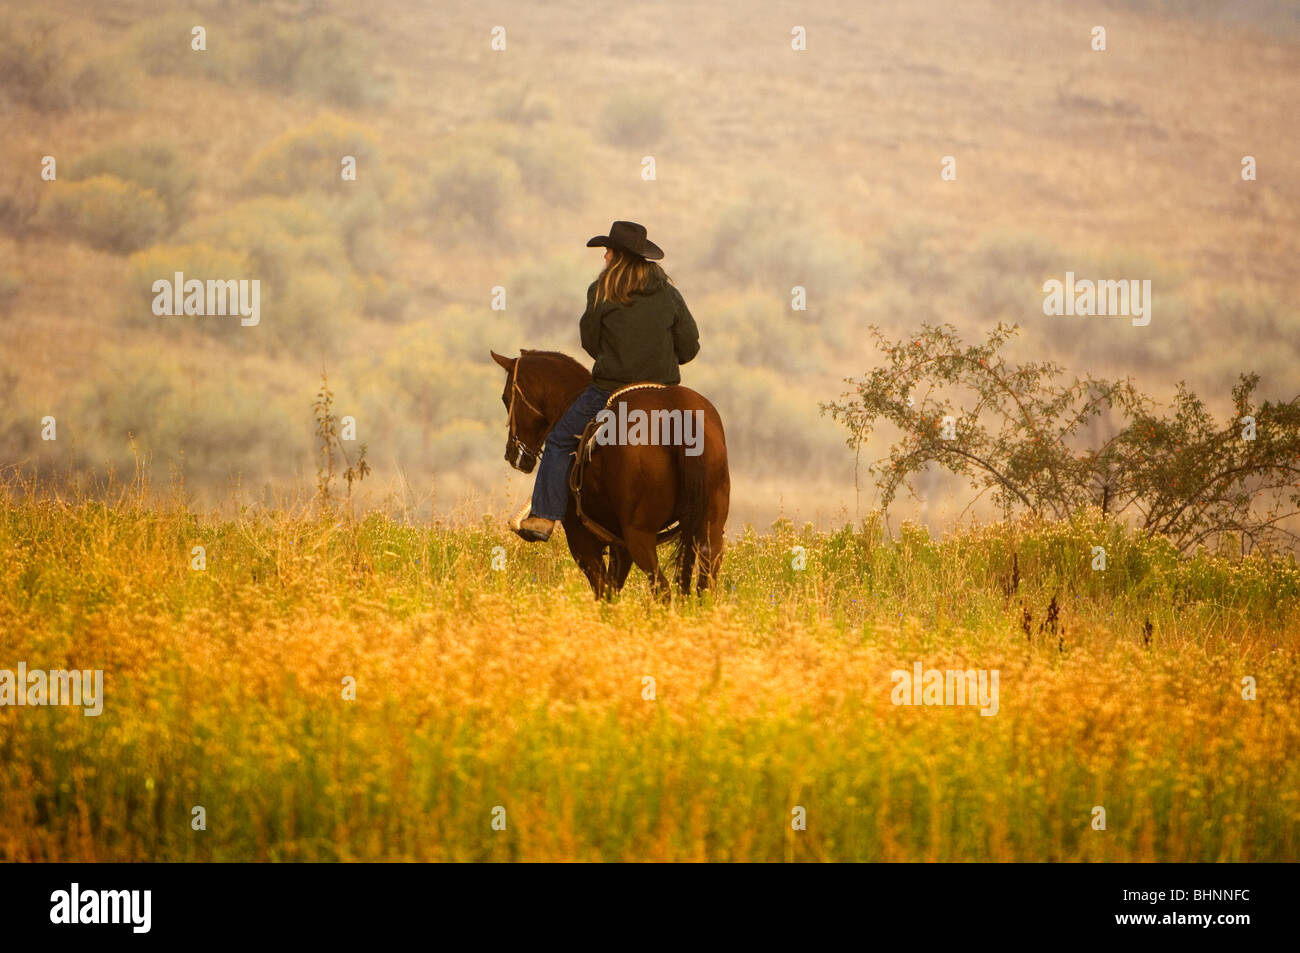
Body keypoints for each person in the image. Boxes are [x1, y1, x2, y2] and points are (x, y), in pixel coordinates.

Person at [514, 221, 700, 542]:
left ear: (620, 257)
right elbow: (690, 346)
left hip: (610, 391)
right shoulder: (670, 294)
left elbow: (590, 343)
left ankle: (543, 518)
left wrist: (619, 357)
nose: (604, 257)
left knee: (558, 441)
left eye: (608, 251)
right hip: (663, 392)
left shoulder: (600, 291)